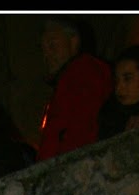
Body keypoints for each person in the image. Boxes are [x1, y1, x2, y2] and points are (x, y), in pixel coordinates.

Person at [37, 17, 113, 161]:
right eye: (43, 50)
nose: (47, 55)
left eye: (52, 45)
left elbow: (80, 129)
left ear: (73, 41)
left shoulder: (84, 70)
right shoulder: (67, 78)